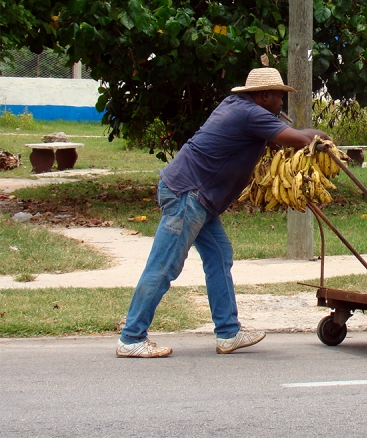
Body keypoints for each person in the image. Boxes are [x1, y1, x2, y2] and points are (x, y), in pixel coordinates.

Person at [116, 67, 329, 358]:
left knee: (219, 255)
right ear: (264, 96)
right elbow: (300, 139)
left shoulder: (236, 106)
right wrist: (321, 136)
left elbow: (265, 137)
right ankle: (131, 337)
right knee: (164, 265)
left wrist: (275, 126)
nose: (282, 103)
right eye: (279, 97)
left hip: (199, 198)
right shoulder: (251, 114)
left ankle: (228, 332)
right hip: (188, 195)